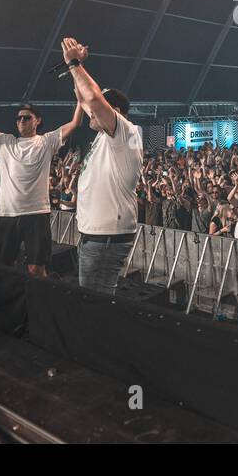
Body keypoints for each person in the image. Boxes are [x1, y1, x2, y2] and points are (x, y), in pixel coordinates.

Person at [0, 84, 79, 277]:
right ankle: (7, 302)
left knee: (36, 268)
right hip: (7, 213)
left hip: (36, 213)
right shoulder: (5, 142)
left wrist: (81, 99)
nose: (21, 121)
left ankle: (37, 304)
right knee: (4, 265)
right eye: (19, 118)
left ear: (37, 121)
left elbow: (74, 123)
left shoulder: (47, 141)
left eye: (26, 117)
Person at [60, 36, 144, 294]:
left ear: (114, 110)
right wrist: (76, 67)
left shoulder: (125, 132)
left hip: (105, 239)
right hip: (97, 237)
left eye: (100, 108)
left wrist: (74, 63)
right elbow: (86, 99)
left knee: (94, 307)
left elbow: (94, 101)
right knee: (94, 302)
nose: (89, 112)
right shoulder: (105, 134)